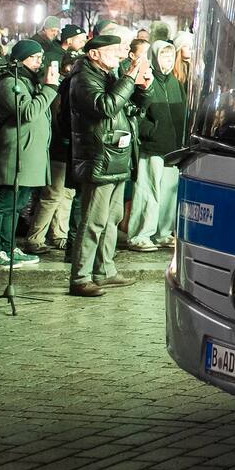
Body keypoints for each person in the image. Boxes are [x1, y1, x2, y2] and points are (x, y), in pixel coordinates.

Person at [67, 29, 149, 298]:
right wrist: (128, 77)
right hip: (98, 158)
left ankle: (105, 270)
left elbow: (129, 109)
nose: (120, 55)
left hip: (115, 156)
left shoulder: (106, 75)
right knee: (93, 220)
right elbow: (106, 106)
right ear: (94, 55)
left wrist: (142, 90)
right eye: (113, 51)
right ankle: (80, 277)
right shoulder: (82, 79)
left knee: (112, 218)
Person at [0, 40, 58, 265]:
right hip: (15, 156)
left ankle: (8, 247)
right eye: (34, 58)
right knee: (2, 204)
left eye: (40, 58)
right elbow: (28, 112)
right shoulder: (11, 83)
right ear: (20, 59)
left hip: (28, 156)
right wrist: (50, 89)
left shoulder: (28, 82)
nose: (38, 62)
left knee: (15, 206)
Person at [24, 23, 85, 252]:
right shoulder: (56, 89)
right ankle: (35, 238)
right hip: (59, 147)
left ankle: (59, 233)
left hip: (69, 148)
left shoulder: (72, 87)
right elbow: (56, 119)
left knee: (66, 194)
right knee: (52, 195)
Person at [124, 41, 184, 252]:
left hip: (173, 147)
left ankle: (163, 232)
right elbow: (137, 111)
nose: (167, 61)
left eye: (170, 57)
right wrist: (148, 131)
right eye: (163, 56)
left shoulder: (175, 83)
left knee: (168, 194)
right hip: (152, 146)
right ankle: (140, 234)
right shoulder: (145, 79)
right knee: (148, 191)